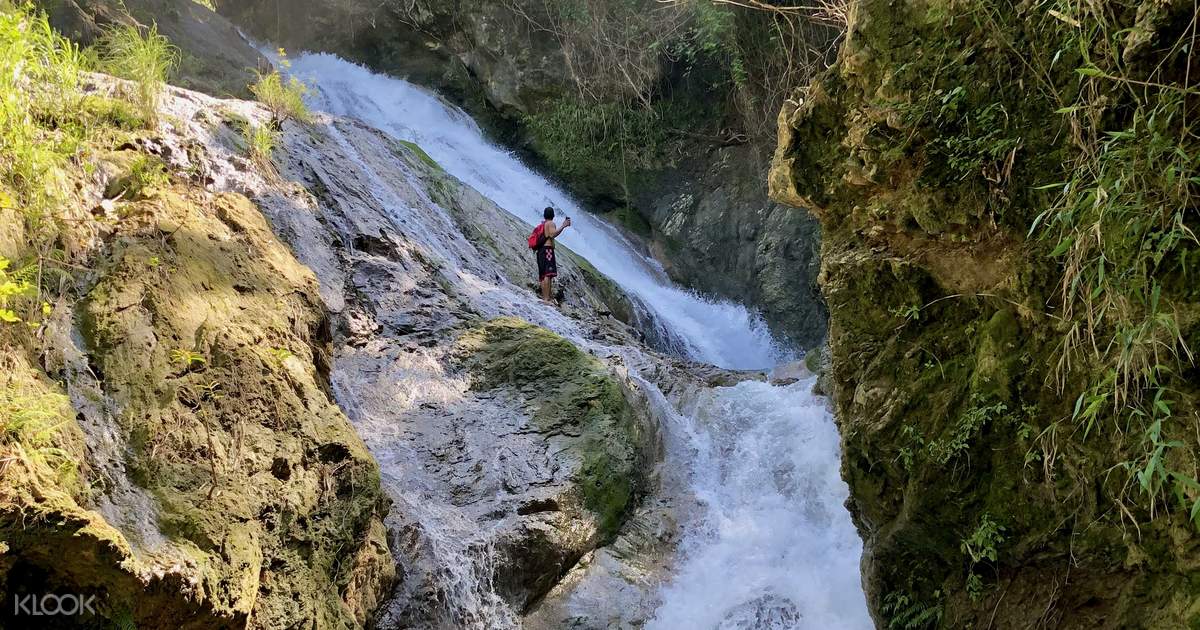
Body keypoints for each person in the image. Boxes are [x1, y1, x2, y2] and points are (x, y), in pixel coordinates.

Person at [535, 206, 571, 304]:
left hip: (541, 251)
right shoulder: (550, 223)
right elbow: (552, 234)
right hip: (547, 251)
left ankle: (545, 298)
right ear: (553, 215)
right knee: (548, 274)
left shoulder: (543, 224)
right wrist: (563, 225)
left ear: (544, 215)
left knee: (543, 275)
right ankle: (546, 299)